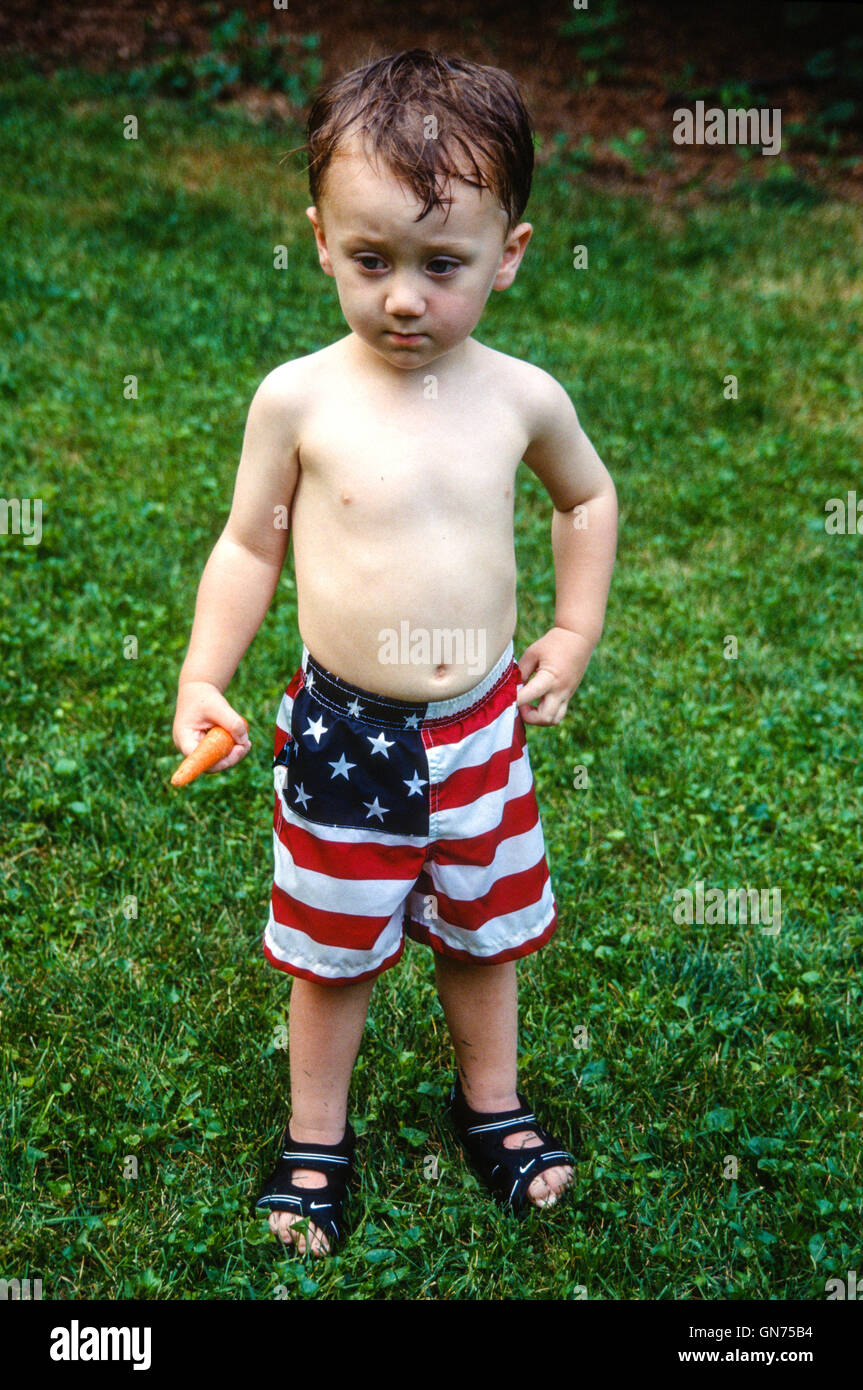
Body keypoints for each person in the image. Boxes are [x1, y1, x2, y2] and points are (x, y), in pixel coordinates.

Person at [172, 48, 618, 1259]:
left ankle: (492, 1106)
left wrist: (574, 628)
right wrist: (202, 672)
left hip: (478, 728)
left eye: (442, 265)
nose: (404, 299)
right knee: (334, 949)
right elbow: (248, 548)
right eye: (371, 262)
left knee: (483, 933)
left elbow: (584, 501)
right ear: (319, 239)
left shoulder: (520, 396)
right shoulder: (298, 401)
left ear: (508, 256)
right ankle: (315, 1138)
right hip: (344, 734)